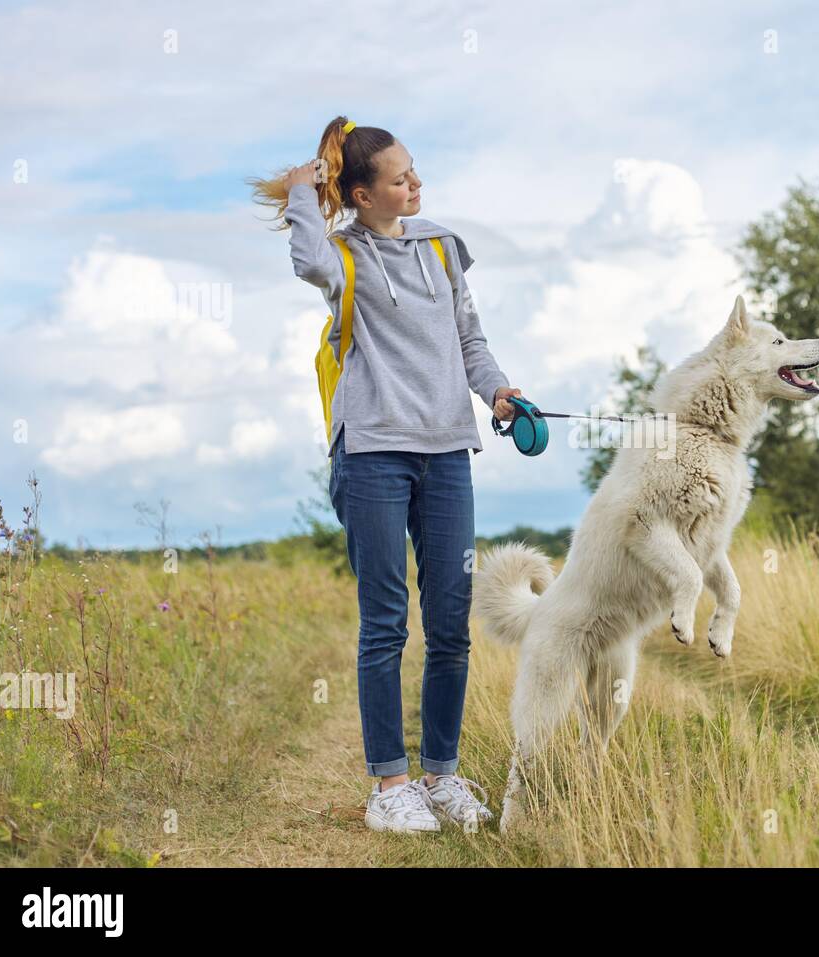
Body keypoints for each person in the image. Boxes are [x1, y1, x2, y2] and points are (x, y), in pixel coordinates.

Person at [249, 116, 522, 833]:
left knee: (451, 624)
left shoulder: (440, 250)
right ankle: (388, 785)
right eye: (400, 179)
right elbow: (305, 259)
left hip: (448, 451)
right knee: (385, 623)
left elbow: (471, 341)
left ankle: (442, 775)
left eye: (415, 173)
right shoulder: (342, 257)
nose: (416, 186)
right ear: (364, 195)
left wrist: (496, 389)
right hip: (372, 450)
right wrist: (305, 192)